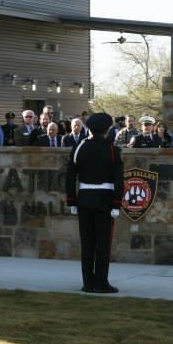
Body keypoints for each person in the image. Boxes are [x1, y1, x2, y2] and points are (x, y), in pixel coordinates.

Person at [65, 113, 123, 294]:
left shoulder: (79, 147)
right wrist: (116, 204)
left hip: (84, 200)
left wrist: (72, 200)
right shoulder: (113, 150)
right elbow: (118, 180)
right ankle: (101, 283)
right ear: (107, 130)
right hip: (105, 201)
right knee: (103, 244)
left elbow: (70, 177)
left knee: (87, 244)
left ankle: (88, 283)